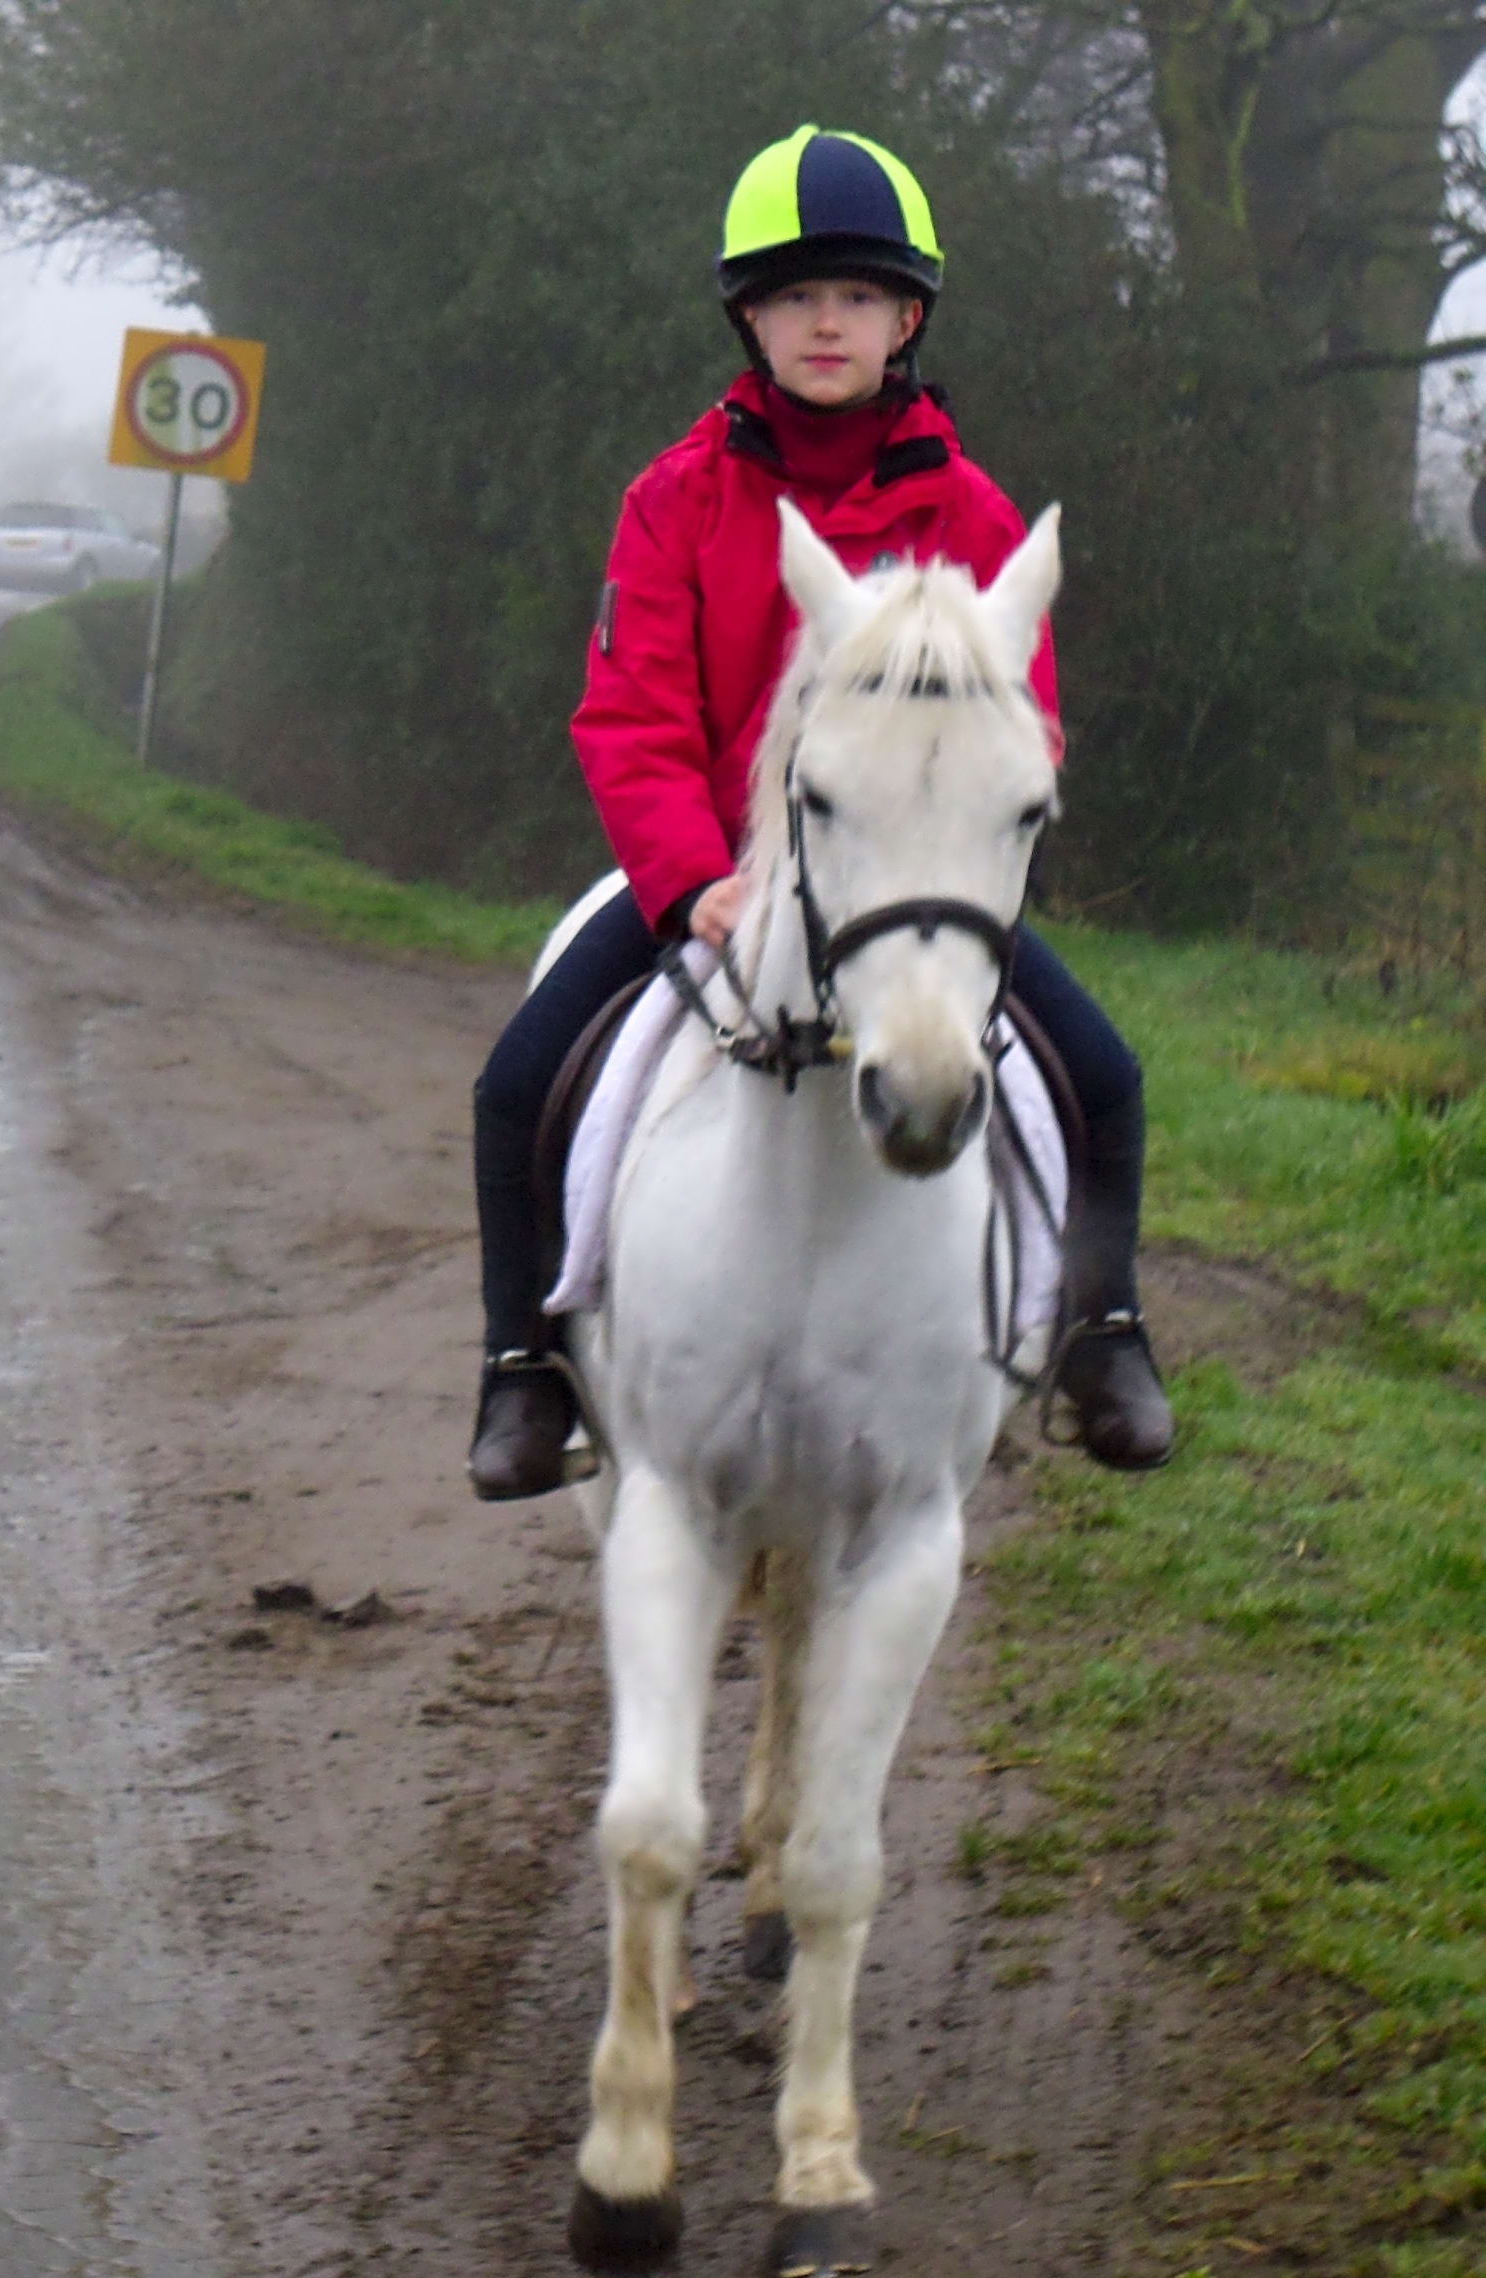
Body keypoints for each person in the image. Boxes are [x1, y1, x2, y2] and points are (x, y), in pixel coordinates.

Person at [464, 123, 1176, 1501]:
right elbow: (631, 718)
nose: (828, 322)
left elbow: (1020, 726)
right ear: (752, 319)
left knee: (1105, 1078)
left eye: (858, 294)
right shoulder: (673, 501)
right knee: (515, 1084)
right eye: (796, 296)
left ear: (908, 318)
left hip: (904, 884)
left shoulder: (974, 515)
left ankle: (1104, 1333)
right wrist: (694, 881)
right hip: (714, 879)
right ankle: (522, 1366)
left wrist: (950, 854)